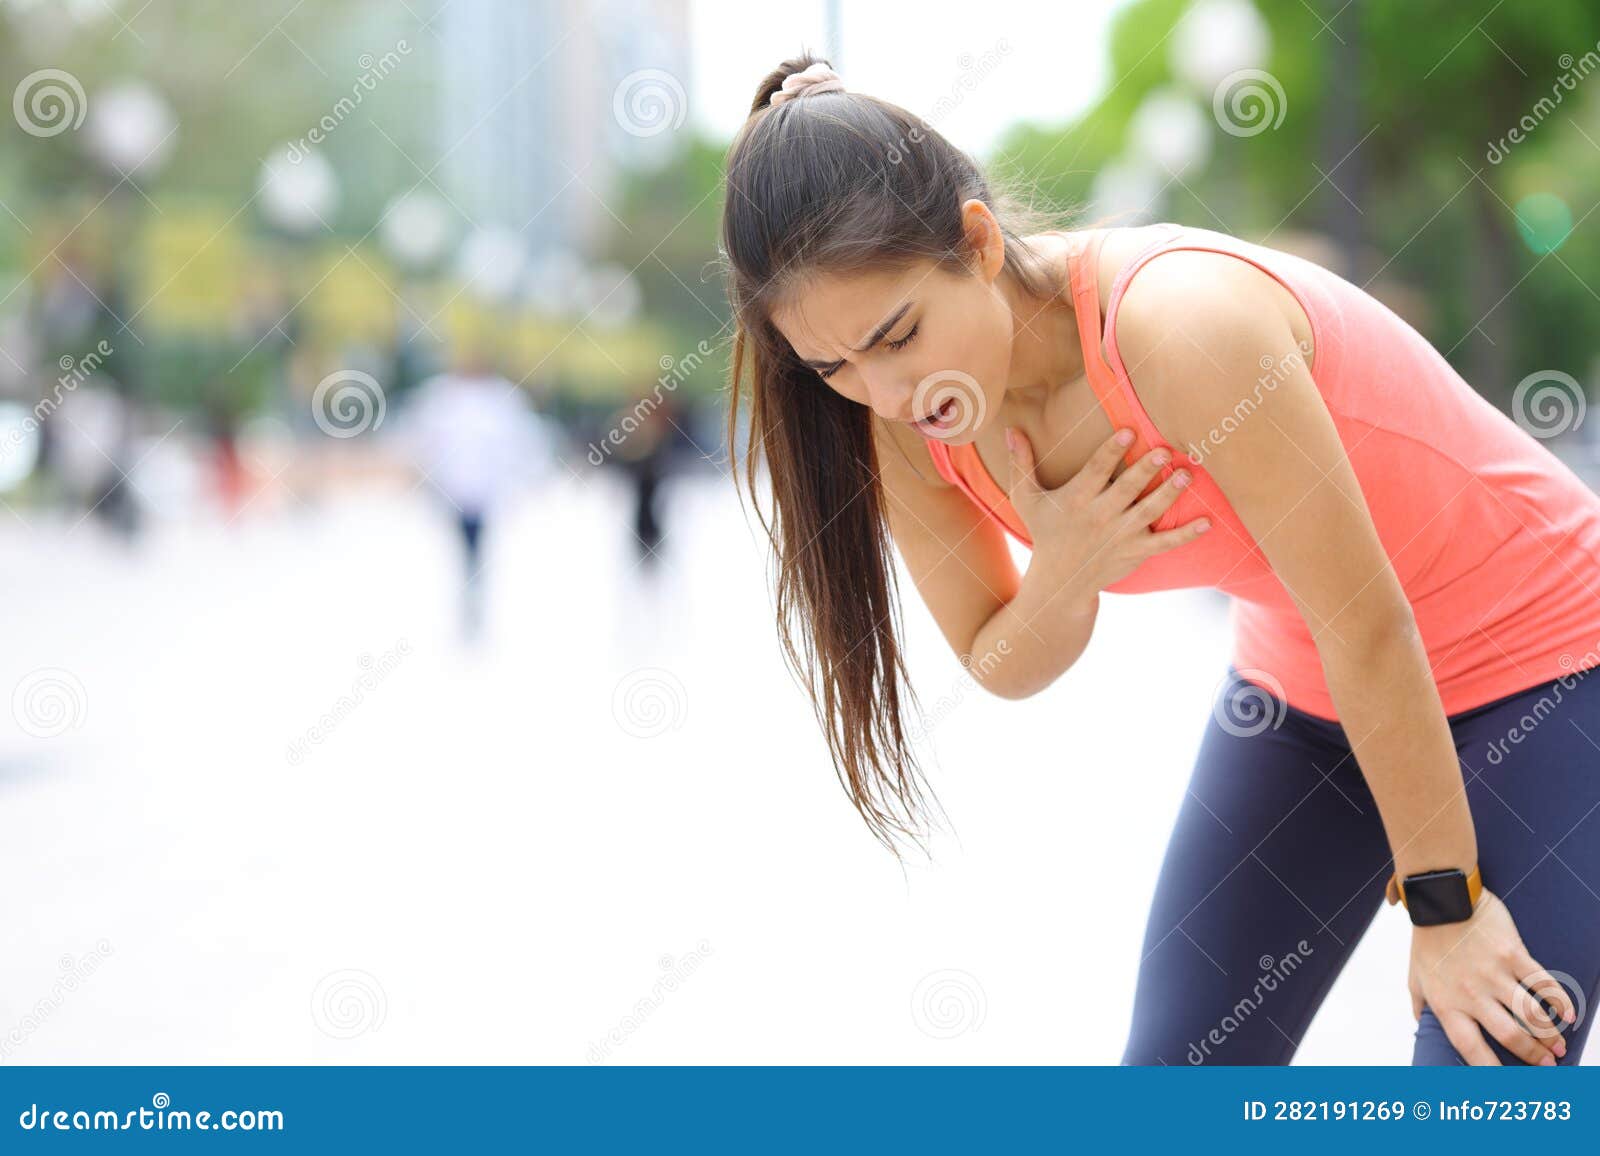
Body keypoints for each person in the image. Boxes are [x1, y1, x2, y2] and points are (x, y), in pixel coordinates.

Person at [719, 56, 1600, 1067]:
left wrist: (1446, 909)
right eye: (833, 367)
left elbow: (1370, 617)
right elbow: (996, 657)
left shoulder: (1178, 327)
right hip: (1309, 687)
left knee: (1477, 1090)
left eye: (897, 334)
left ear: (974, 240)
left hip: (1552, 655)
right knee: (1178, 1077)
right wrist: (1065, 564)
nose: (884, 389)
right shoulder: (907, 430)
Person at [391, 348, 560, 639]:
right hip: (455, 491)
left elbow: (521, 445)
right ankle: (469, 591)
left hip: (484, 493)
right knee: (465, 547)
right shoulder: (443, 397)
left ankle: (474, 592)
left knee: (475, 546)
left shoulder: (499, 399)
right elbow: (423, 442)